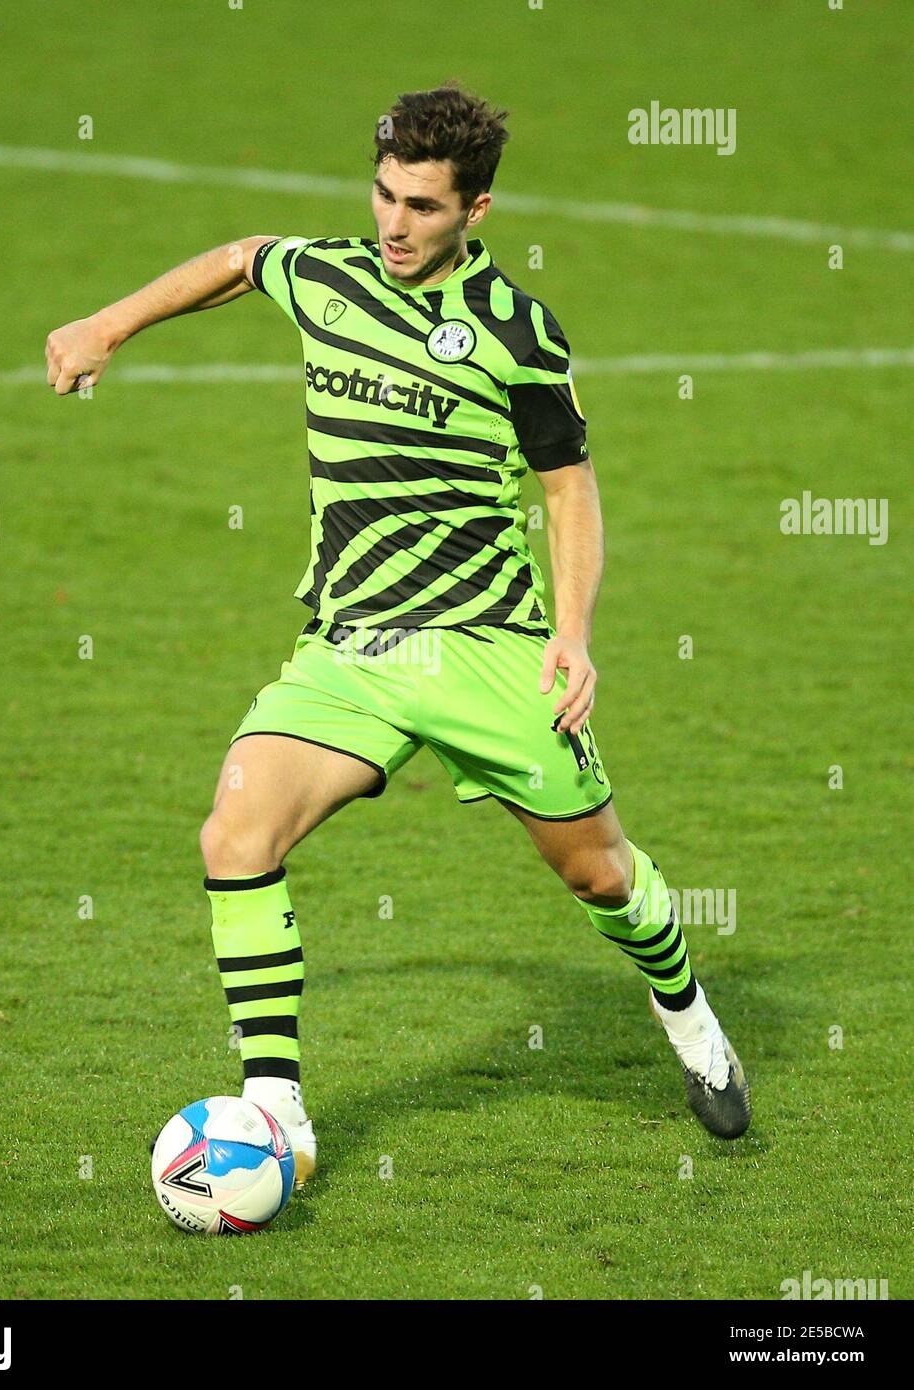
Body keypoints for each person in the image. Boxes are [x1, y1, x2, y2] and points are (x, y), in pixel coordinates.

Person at [46, 83, 751, 1185]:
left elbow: (567, 492)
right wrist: (105, 324)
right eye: (382, 195)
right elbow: (241, 257)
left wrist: (572, 633)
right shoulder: (327, 277)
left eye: (422, 206)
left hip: (489, 649)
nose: (393, 223)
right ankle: (276, 1109)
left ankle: (688, 1011)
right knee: (233, 837)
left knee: (601, 878)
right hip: (353, 650)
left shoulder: (519, 334)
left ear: (477, 210)